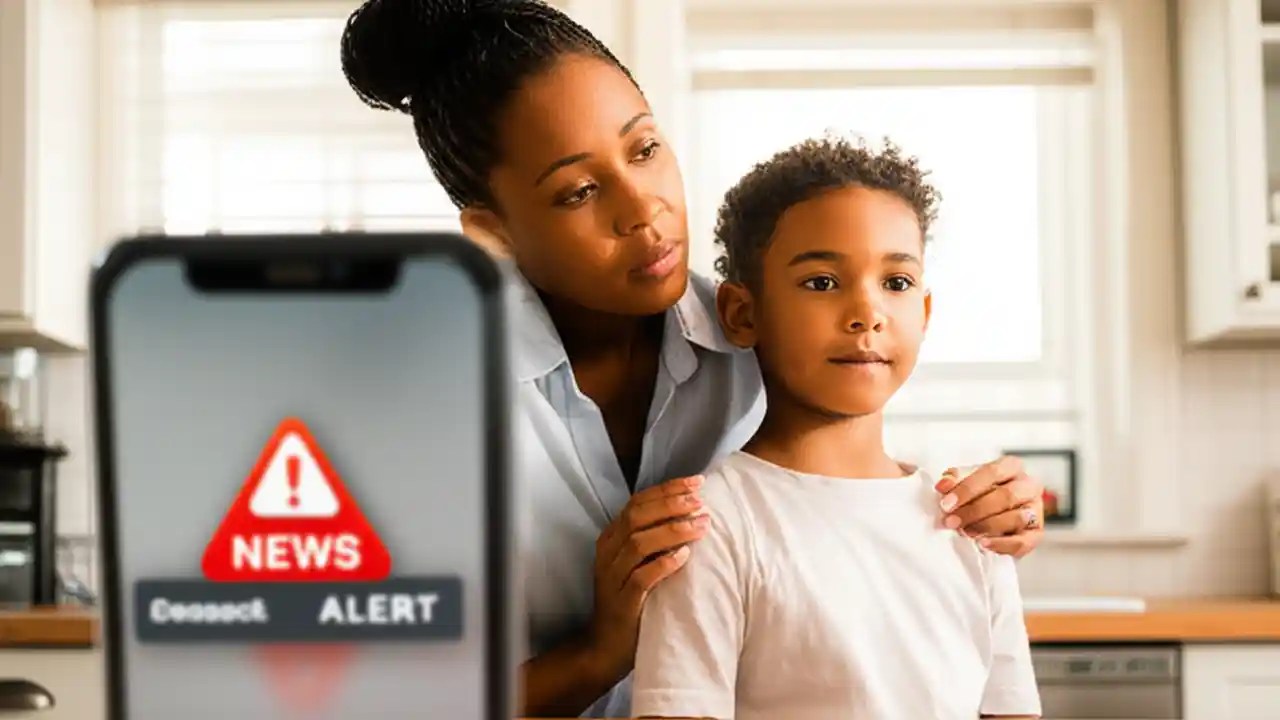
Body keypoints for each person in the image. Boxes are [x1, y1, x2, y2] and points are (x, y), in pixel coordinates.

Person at [338, 1, 1048, 716]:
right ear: (493, 232)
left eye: (644, 149)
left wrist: (996, 505)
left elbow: (851, 472)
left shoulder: (761, 327)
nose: (641, 209)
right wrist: (597, 654)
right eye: (579, 191)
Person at [630, 136, 1041, 720]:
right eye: (822, 282)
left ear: (924, 313)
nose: (867, 313)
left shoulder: (972, 525)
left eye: (896, 283)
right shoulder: (711, 525)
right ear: (742, 313)